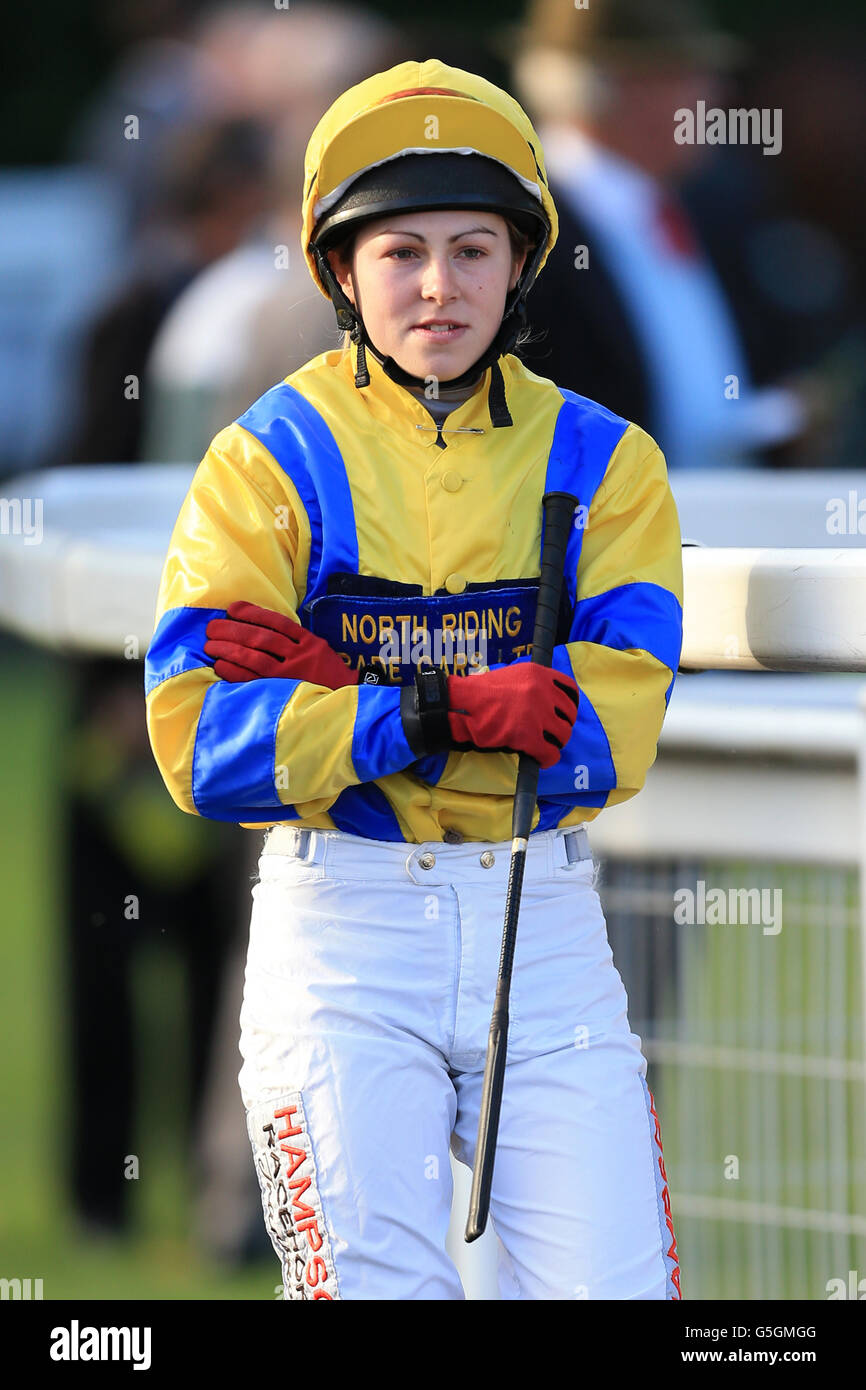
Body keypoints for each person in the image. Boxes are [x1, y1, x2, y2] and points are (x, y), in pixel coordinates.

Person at [144, 59, 684, 1301]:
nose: (439, 288)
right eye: (400, 252)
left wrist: (348, 697)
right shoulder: (260, 464)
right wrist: (443, 705)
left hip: (539, 936)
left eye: (474, 249)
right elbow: (204, 750)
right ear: (340, 271)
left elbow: (604, 739)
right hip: (341, 944)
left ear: (520, 264)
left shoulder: (611, 465)